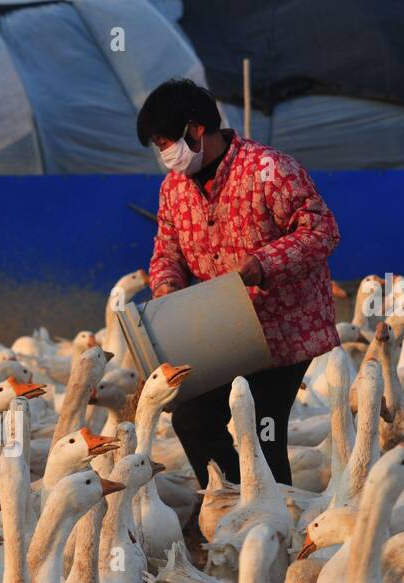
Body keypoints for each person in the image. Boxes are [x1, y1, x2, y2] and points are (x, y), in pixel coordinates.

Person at [137, 78, 340, 488]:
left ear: (195, 130)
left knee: (263, 431)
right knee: (193, 421)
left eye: (165, 143)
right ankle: (234, 502)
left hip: (283, 332)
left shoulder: (269, 170)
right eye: (158, 147)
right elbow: (166, 254)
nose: (164, 156)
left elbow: (322, 230)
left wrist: (263, 263)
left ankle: (273, 526)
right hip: (224, 334)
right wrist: (167, 295)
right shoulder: (174, 189)